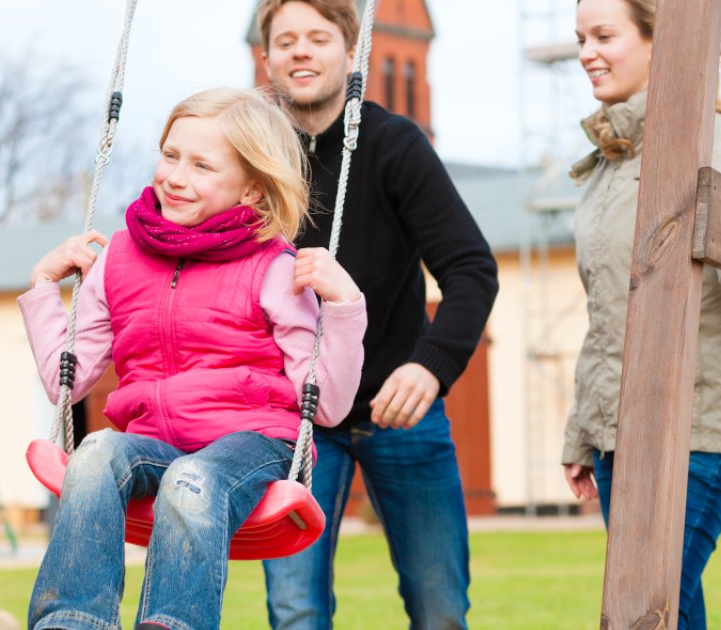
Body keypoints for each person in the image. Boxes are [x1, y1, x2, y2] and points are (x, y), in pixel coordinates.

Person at [19, 87, 368, 630]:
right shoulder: (117, 259)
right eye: (171, 155)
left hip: (250, 445)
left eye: (202, 165)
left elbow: (327, 406)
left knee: (192, 479)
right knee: (92, 454)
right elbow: (67, 377)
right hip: (154, 442)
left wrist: (344, 306)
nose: (176, 177)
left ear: (252, 190)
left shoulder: (275, 267)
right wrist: (43, 287)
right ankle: (71, 621)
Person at [255, 1, 500, 627]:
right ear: (267, 59)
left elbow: (471, 268)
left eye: (318, 38)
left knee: (440, 605)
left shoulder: (394, 146)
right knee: (294, 611)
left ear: (350, 50)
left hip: (399, 412)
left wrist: (431, 366)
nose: (301, 51)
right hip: (296, 422)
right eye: (286, 41)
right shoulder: (253, 161)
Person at [561, 1, 721, 628]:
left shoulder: (709, 134)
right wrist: (583, 428)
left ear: (663, 43)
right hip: (618, 436)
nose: (586, 53)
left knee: (641, 614)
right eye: (581, 38)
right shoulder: (609, 162)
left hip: (696, 428)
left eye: (605, 36)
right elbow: (605, 311)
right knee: (669, 613)